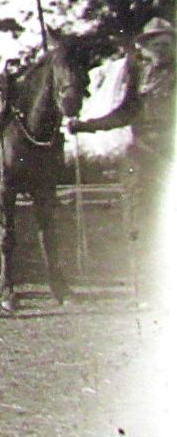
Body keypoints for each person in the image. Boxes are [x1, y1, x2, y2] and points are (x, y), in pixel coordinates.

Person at [67, 16, 174, 304]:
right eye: (155, 43)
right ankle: (147, 291)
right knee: (138, 221)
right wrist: (85, 125)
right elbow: (124, 113)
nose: (161, 48)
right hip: (141, 157)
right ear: (146, 47)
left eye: (167, 42)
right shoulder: (139, 76)